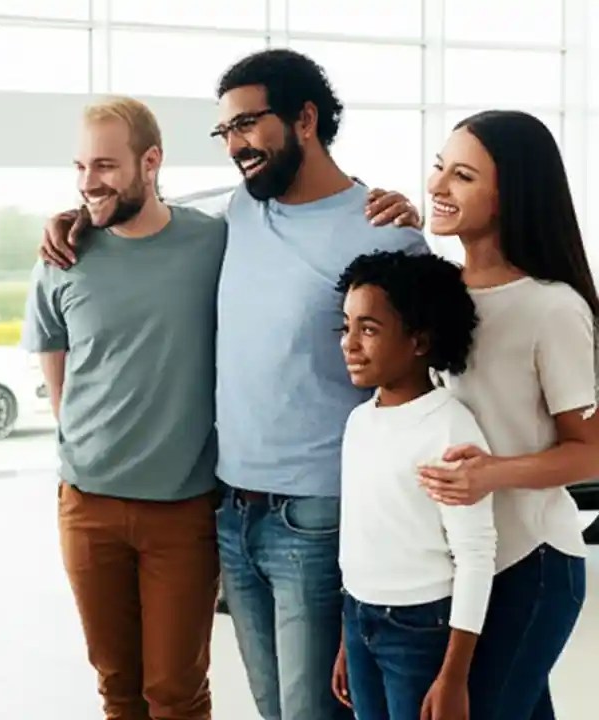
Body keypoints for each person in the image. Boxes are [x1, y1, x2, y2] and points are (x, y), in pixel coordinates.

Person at [39, 49, 429, 720]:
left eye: (248, 124)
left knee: (309, 711)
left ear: (305, 119)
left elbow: (417, 390)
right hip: (231, 508)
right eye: (225, 131)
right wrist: (72, 214)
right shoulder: (241, 212)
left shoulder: (384, 233)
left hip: (317, 512)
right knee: (272, 707)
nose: (234, 145)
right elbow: (140, 214)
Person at [22, 95, 223, 720]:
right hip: (88, 508)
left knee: (176, 694)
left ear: (151, 162)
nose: (89, 183)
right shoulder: (63, 257)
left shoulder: (213, 242)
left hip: (183, 510)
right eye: (81, 167)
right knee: (117, 688)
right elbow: (56, 365)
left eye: (106, 166)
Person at [416, 110, 599, 720]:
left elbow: (591, 450)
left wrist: (491, 473)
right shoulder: (436, 293)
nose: (438, 185)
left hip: (532, 564)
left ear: (510, 195)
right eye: (440, 167)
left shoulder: (552, 309)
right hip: (463, 564)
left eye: (462, 176)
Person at [330, 249, 494, 720]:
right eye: (346, 326)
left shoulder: (448, 427)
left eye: (369, 330)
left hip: (420, 628)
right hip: (359, 617)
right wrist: (347, 639)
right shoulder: (359, 422)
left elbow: (476, 555)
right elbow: (360, 538)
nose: (349, 343)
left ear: (419, 341)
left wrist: (454, 677)